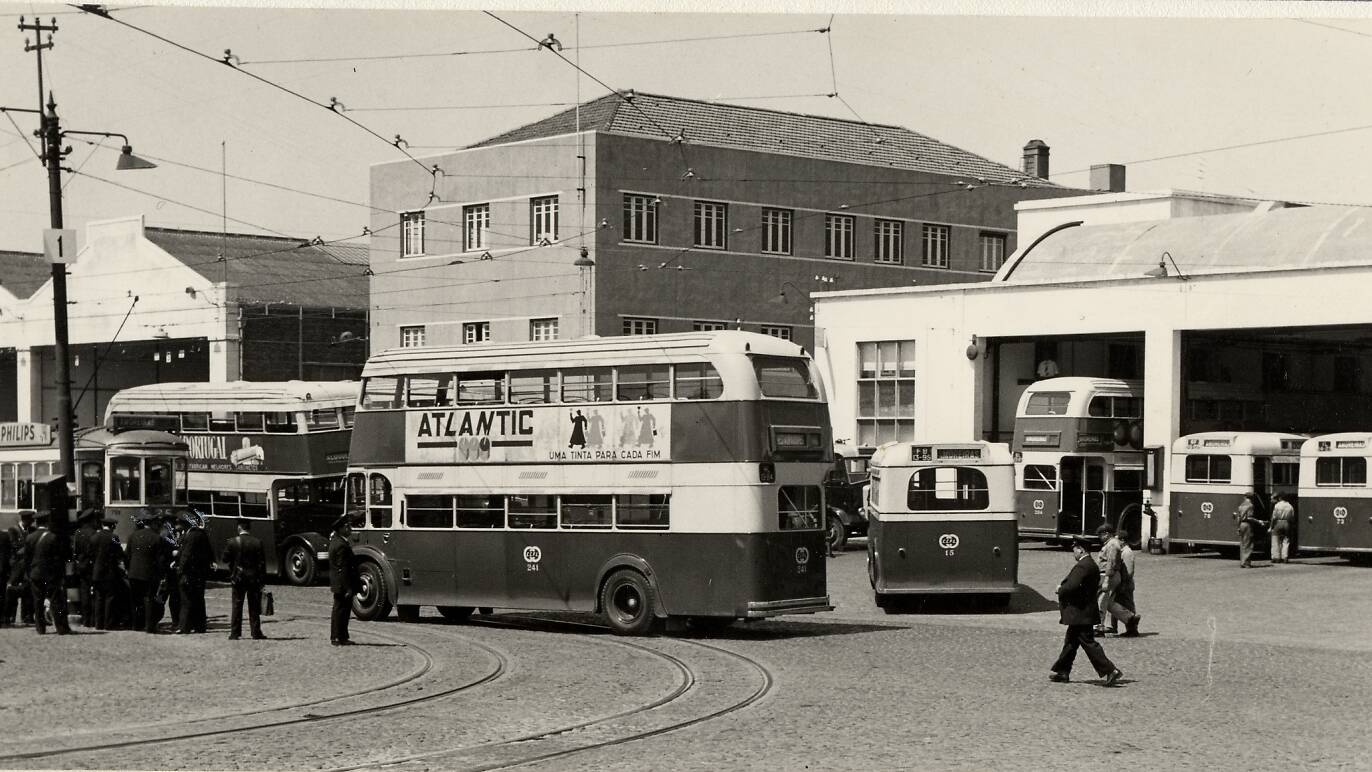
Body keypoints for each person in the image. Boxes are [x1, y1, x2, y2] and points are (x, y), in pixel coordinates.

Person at [1050, 538, 1124, 686]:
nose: (1074, 552)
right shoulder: (1090, 565)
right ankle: (1063, 671)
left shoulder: (1083, 566)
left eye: (1075, 549)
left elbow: (1072, 586)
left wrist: (1061, 589)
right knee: (1071, 642)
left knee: (1088, 643)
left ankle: (1110, 670)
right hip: (1085, 612)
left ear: (1081, 549)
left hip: (1080, 613)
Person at [25, 511, 72, 635]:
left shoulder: (30, 537)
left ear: (37, 522)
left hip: (35, 573)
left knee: (37, 600)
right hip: (50, 575)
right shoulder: (52, 537)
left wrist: (29, 573)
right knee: (55, 600)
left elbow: (27, 558)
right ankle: (60, 628)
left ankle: (40, 628)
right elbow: (57, 559)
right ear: (47, 522)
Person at [223, 518, 267, 640]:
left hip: (238, 578)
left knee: (237, 605)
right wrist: (262, 581)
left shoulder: (232, 542)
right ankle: (256, 632)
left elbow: (224, 559)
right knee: (254, 605)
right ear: (249, 528)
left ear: (239, 528)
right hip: (253, 578)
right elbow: (262, 564)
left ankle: (235, 632)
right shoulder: (258, 542)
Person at [126, 516, 168, 634]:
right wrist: (162, 575)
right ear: (153, 523)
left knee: (135, 600)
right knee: (149, 599)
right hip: (149, 574)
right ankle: (149, 626)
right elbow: (160, 560)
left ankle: (136, 625)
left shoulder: (132, 536)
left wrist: (129, 570)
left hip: (133, 574)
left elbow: (127, 556)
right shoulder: (157, 538)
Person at [177, 512, 214, 634]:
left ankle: (185, 626)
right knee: (199, 599)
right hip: (200, 573)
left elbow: (186, 555)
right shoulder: (201, 534)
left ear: (185, 524)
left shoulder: (190, 536)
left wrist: (180, 569)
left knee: (186, 599)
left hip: (190, 572)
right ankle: (200, 625)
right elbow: (209, 552)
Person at [328, 514, 360, 646]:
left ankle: (341, 636)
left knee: (341, 610)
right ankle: (338, 637)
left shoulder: (337, 542)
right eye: (347, 526)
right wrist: (348, 587)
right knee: (341, 610)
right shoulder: (341, 545)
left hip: (339, 583)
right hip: (343, 584)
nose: (350, 529)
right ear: (340, 529)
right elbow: (343, 568)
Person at [89, 515, 126, 630]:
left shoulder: (94, 537)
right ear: (112, 526)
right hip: (110, 572)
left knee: (99, 597)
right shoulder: (114, 537)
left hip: (97, 572)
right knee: (110, 598)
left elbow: (90, 554)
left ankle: (98, 623)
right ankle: (108, 623)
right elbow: (119, 554)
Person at [1108, 528, 1142, 637]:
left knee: (1128, 606)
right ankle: (1114, 627)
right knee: (1116, 604)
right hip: (1120, 584)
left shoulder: (1127, 552)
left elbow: (1129, 571)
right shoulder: (1121, 551)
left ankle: (1132, 629)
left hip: (1125, 585)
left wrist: (1123, 584)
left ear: (1122, 540)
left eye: (1117, 540)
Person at [4, 512, 37, 626]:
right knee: (13, 590)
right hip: (16, 566)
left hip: (28, 565)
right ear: (24, 520)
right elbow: (15, 547)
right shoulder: (13, 530)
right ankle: (11, 616)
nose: (31, 523)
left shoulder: (32, 530)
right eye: (29, 521)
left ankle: (27, 616)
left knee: (27, 589)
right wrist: (28, 548)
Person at [72, 508, 100, 627]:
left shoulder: (78, 533)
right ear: (92, 520)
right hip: (93, 565)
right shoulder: (95, 533)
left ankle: (86, 619)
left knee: (84, 592)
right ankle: (94, 619)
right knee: (94, 592)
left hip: (82, 566)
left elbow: (76, 551)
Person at [1094, 523, 1123, 635]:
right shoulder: (1112, 543)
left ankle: (1098, 627)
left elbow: (1110, 563)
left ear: (1106, 533)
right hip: (1110, 575)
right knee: (1110, 602)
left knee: (1102, 601)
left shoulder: (1112, 545)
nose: (1100, 538)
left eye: (1100, 535)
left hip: (1109, 575)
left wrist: (1106, 579)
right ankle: (1129, 618)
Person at [1235, 492, 1267, 568]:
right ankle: (1246, 563)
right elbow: (1249, 517)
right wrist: (1259, 521)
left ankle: (1242, 562)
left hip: (1241, 524)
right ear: (1251, 498)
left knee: (1242, 544)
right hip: (1247, 525)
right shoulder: (1250, 506)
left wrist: (1238, 527)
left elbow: (1238, 518)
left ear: (1245, 497)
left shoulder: (1241, 505)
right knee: (1248, 544)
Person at [1269, 493, 1296, 564]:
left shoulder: (1277, 505)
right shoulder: (1290, 506)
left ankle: (1276, 557)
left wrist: (1271, 526)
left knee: (1275, 540)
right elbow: (1292, 517)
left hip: (1278, 522)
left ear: (1280, 498)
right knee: (1286, 540)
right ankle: (1285, 557)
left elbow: (1274, 517)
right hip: (1286, 523)